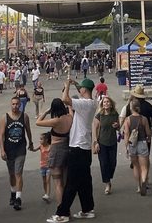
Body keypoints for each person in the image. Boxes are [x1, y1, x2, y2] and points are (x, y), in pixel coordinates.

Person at [48, 78, 98, 223]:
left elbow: (65, 99)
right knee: (84, 181)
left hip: (77, 147)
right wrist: (76, 83)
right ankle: (87, 209)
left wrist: (67, 85)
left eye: (81, 88)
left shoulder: (83, 103)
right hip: (85, 147)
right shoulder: (92, 102)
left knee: (72, 182)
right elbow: (82, 92)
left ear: (84, 90)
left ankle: (62, 213)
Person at [0, 95, 35, 211]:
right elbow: (1, 135)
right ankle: (13, 193)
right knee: (12, 174)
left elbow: (28, 130)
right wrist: (2, 150)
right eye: (13, 104)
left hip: (20, 149)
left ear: (20, 105)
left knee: (18, 173)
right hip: (9, 149)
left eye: (17, 104)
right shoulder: (4, 117)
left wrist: (31, 142)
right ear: (11, 104)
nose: (15, 106)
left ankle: (18, 199)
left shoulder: (24, 117)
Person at [36, 97, 72, 205]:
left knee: (57, 182)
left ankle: (60, 209)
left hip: (56, 150)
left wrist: (47, 111)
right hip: (67, 147)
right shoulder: (70, 118)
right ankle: (67, 209)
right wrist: (69, 107)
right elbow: (70, 111)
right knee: (65, 182)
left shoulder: (56, 121)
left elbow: (38, 122)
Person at [123, 96, 152, 195]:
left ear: (131, 108)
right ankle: (144, 179)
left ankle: (139, 187)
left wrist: (126, 146)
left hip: (132, 144)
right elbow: (148, 132)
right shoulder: (143, 119)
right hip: (143, 143)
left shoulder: (127, 120)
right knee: (144, 167)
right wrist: (148, 137)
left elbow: (126, 134)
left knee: (136, 166)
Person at [93, 95, 120, 195]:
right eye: (104, 102)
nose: (106, 104)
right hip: (102, 143)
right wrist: (95, 142)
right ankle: (107, 183)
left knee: (112, 163)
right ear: (102, 104)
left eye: (108, 102)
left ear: (111, 104)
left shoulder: (114, 114)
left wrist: (117, 126)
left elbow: (118, 128)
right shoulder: (99, 115)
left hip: (112, 142)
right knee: (104, 164)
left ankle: (109, 177)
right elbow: (95, 129)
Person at [39, 132, 53, 203]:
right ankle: (45, 194)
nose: (40, 141)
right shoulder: (40, 146)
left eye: (41, 139)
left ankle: (47, 194)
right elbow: (34, 149)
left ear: (46, 140)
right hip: (42, 166)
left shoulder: (50, 147)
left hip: (48, 166)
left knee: (48, 180)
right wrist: (31, 146)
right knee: (44, 181)